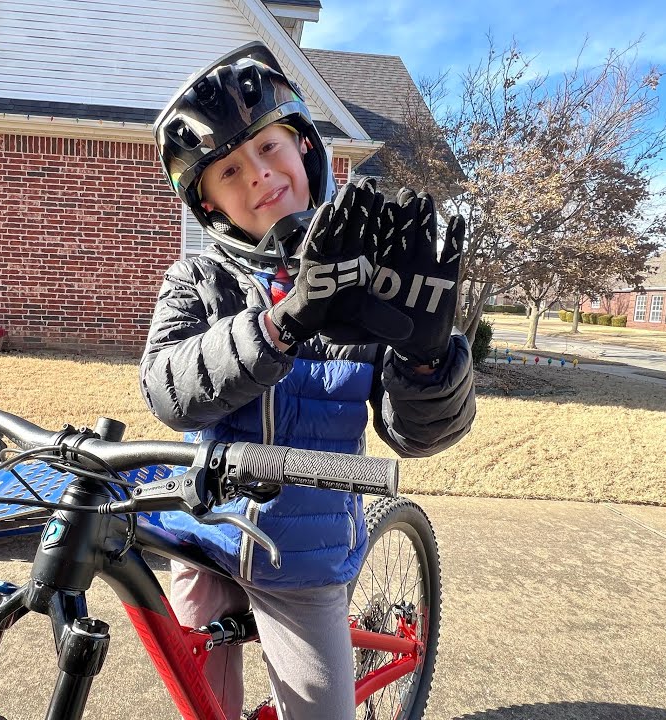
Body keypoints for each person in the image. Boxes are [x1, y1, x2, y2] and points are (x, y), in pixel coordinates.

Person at [142, 42, 476, 719]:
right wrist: (279, 326)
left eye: (269, 149)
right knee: (201, 704)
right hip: (204, 534)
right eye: (229, 171)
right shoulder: (196, 279)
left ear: (305, 149)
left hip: (303, 552)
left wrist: (427, 360)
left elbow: (416, 432)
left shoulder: (367, 272)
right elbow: (167, 389)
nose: (258, 176)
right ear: (209, 209)